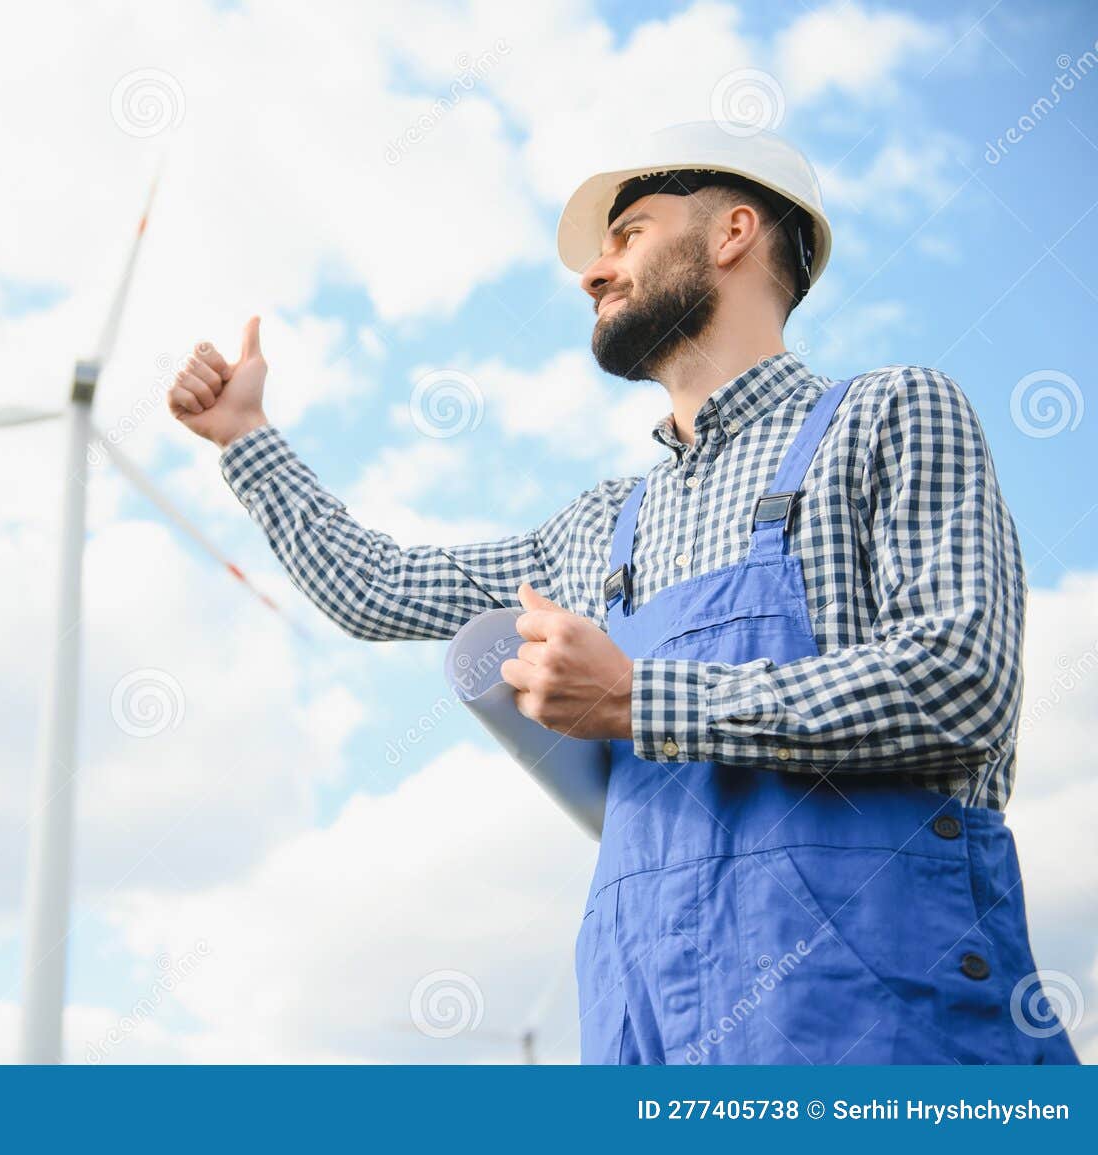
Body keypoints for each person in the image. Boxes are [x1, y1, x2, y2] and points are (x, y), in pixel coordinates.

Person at [167, 121, 1078, 1065]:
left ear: (732, 233)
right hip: (649, 1026)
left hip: (881, 1029)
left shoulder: (889, 413)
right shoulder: (603, 526)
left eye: (628, 234)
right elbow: (377, 589)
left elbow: (957, 685)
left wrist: (640, 698)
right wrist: (246, 439)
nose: (593, 274)